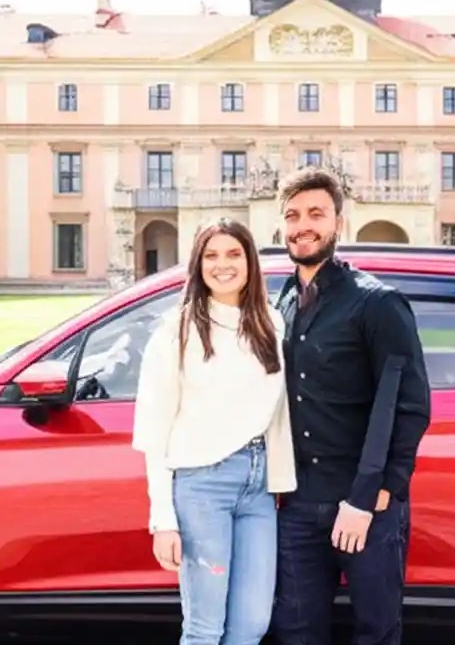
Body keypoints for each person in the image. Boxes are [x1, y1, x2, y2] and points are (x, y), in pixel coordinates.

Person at [269, 168, 431, 645]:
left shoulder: (377, 304)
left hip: (366, 503)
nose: (304, 225)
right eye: (293, 215)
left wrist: (375, 495)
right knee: (296, 632)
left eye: (316, 214)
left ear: (339, 221)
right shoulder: (282, 303)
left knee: (376, 633)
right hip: (298, 507)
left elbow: (409, 405)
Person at [131, 218, 297, 645]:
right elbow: (154, 430)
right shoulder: (176, 331)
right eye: (212, 255)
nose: (223, 265)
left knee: (252, 623)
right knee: (206, 627)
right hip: (202, 485)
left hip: (259, 488)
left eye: (234, 254)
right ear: (198, 265)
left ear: (250, 262)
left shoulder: (270, 325)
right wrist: (162, 520)